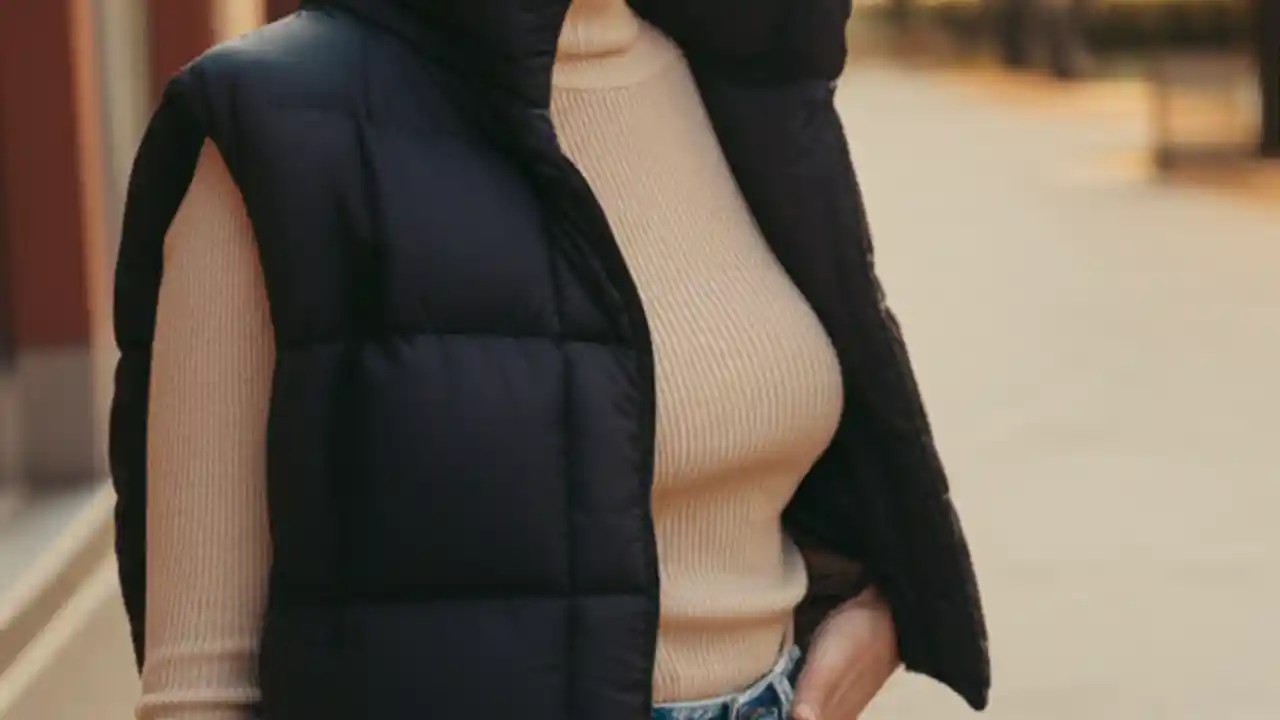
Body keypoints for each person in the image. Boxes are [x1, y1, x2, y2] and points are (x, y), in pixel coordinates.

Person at [110, 0, 990, 718]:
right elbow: (201, 691)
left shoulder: (741, 79)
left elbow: (761, 454)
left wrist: (873, 614)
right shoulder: (279, 126)